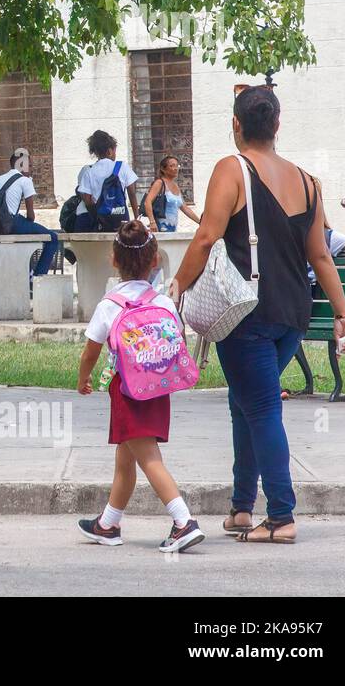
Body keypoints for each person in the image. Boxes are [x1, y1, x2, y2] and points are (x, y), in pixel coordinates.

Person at [171, 86, 345, 544]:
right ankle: (239, 506)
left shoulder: (232, 170)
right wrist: (342, 314)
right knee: (245, 404)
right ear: (277, 125)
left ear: (236, 124)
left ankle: (280, 515)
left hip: (246, 315)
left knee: (261, 407)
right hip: (293, 314)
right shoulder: (308, 181)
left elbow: (205, 237)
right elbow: (322, 257)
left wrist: (176, 285)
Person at [75, 221, 204, 552]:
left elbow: (91, 350)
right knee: (126, 455)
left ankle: (183, 521)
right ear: (155, 261)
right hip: (157, 387)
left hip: (127, 391)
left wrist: (83, 377)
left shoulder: (109, 305)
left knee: (147, 457)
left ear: (113, 260)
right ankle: (108, 524)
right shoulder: (163, 303)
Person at [0, 150, 59, 277]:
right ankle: (38, 277)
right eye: (30, 165)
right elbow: (31, 216)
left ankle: (27, 272)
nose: (32, 168)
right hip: (11, 223)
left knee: (24, 234)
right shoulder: (25, 181)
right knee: (53, 238)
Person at [75, 130, 139, 232]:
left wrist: (97, 215)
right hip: (120, 218)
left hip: (101, 220)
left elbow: (87, 200)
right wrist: (136, 218)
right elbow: (132, 193)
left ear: (95, 152)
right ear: (110, 151)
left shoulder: (89, 172)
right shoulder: (122, 166)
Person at [143, 156, 202, 232]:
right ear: (163, 169)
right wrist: (152, 222)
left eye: (177, 165)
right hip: (160, 226)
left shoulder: (176, 186)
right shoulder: (160, 183)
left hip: (172, 227)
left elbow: (185, 208)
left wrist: (200, 222)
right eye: (172, 166)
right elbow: (147, 202)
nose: (175, 168)